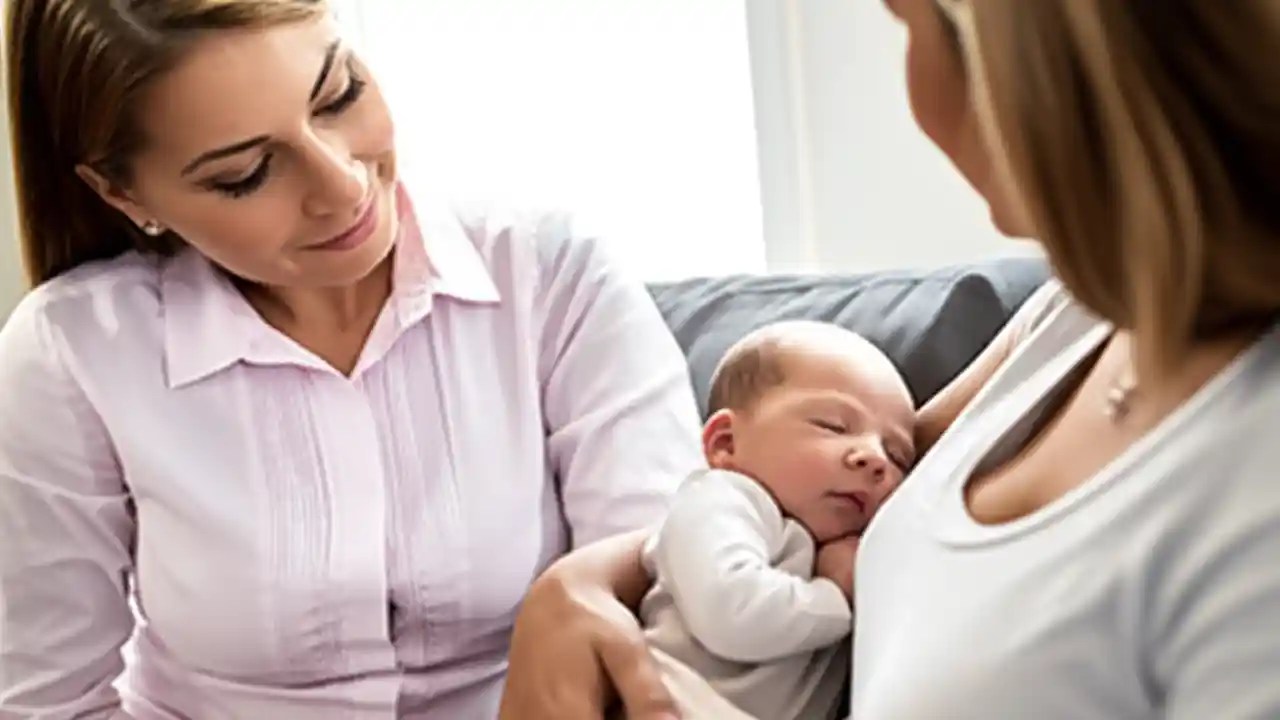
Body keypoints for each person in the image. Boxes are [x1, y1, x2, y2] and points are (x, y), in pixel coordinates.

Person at [500, 0, 1280, 718]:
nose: (916, 96)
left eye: (912, 28)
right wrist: (581, 585)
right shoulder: (1075, 314)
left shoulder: (1250, 483)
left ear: (1028, 63)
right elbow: (806, 476)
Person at [0, 1, 703, 718]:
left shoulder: (550, 274)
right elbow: (49, 706)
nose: (343, 185)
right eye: (245, 174)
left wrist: (580, 598)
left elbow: (671, 605)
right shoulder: (71, 353)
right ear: (123, 193)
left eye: (339, 95)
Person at [636, 322, 913, 720]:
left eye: (898, 456)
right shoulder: (719, 499)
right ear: (726, 443)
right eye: (832, 426)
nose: (875, 458)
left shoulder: (850, 549)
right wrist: (835, 591)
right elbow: (731, 611)